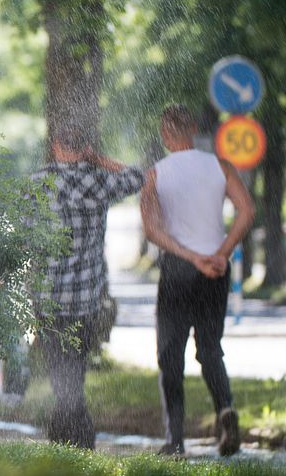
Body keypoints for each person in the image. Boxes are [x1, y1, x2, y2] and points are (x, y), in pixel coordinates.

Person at [140, 104, 253, 457]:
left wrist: (190, 257)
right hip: (216, 271)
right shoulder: (220, 165)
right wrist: (221, 253)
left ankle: (175, 440)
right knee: (209, 349)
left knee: (170, 356)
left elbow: (153, 230)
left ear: (165, 135)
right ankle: (225, 409)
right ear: (192, 130)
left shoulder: (154, 174)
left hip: (178, 269)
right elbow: (247, 210)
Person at [32, 124, 145, 449]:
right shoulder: (99, 181)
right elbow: (139, 176)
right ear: (85, 148)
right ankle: (76, 438)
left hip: (48, 298)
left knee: (58, 372)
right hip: (85, 299)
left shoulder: (38, 184)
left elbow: (21, 237)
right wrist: (99, 159)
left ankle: (68, 438)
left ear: (54, 145)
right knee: (75, 370)